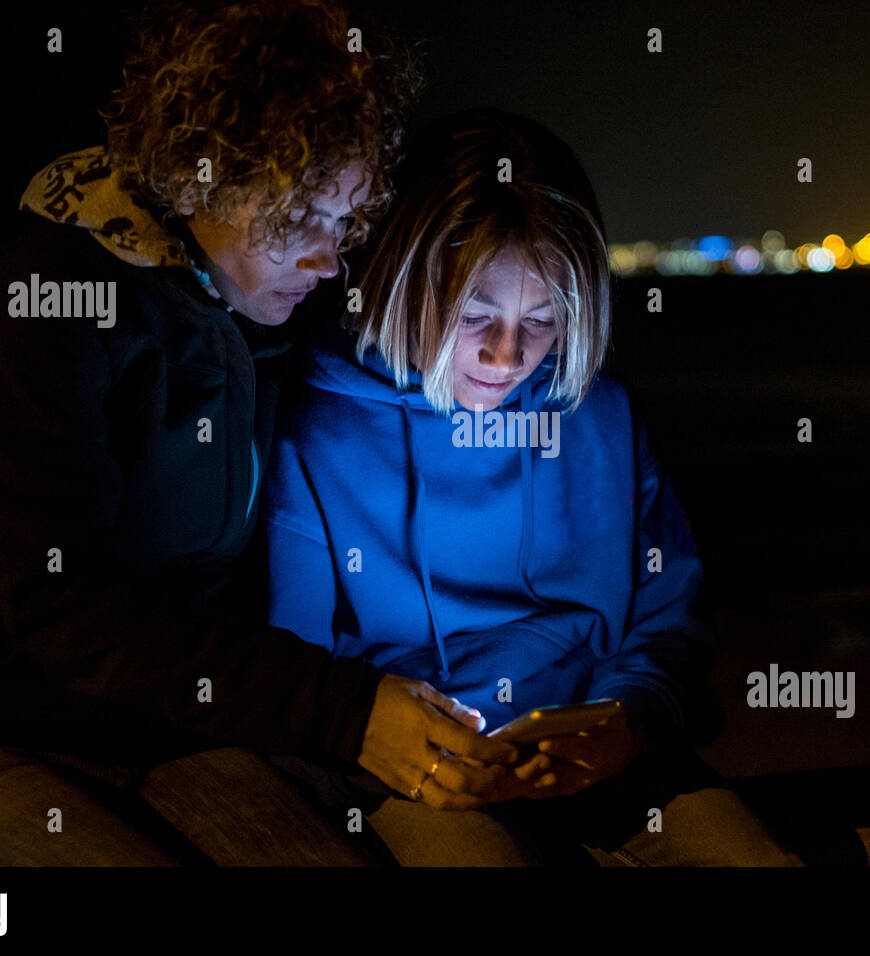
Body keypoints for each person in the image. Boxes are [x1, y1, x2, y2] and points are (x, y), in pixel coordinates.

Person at [0, 0, 520, 867]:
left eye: (345, 222)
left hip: (155, 733)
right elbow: (70, 609)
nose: (329, 260)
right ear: (201, 178)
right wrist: (346, 712)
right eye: (300, 222)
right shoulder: (42, 305)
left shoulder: (254, 321)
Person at [261, 108, 804, 865]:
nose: (508, 354)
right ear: (400, 273)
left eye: (543, 321)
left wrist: (631, 718)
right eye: (474, 313)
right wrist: (387, 744)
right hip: (409, 777)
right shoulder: (313, 427)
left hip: (607, 761)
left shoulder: (599, 416)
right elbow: (293, 665)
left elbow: (669, 611)